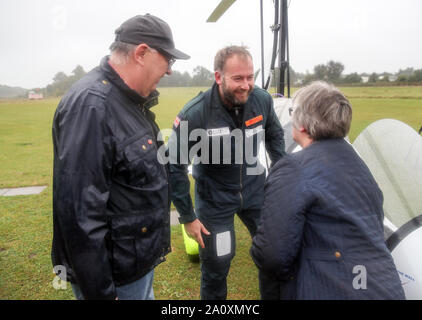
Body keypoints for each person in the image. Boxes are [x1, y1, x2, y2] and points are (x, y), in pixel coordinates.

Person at [51, 14, 189, 300]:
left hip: (132, 262)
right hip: (114, 275)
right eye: (168, 60)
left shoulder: (126, 99)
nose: (170, 71)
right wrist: (101, 292)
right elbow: (79, 214)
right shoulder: (92, 106)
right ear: (141, 53)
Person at [251, 81, 406, 300]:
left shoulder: (292, 167)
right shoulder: (359, 166)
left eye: (293, 112)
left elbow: (272, 256)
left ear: (303, 125)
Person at [168, 45, 286, 300]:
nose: (246, 85)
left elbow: (275, 134)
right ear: (218, 77)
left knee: (273, 254)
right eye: (238, 78)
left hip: (256, 192)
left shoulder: (262, 100)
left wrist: (282, 173)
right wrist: (187, 217)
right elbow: (175, 166)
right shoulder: (195, 113)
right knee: (217, 265)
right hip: (215, 200)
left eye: (250, 77)